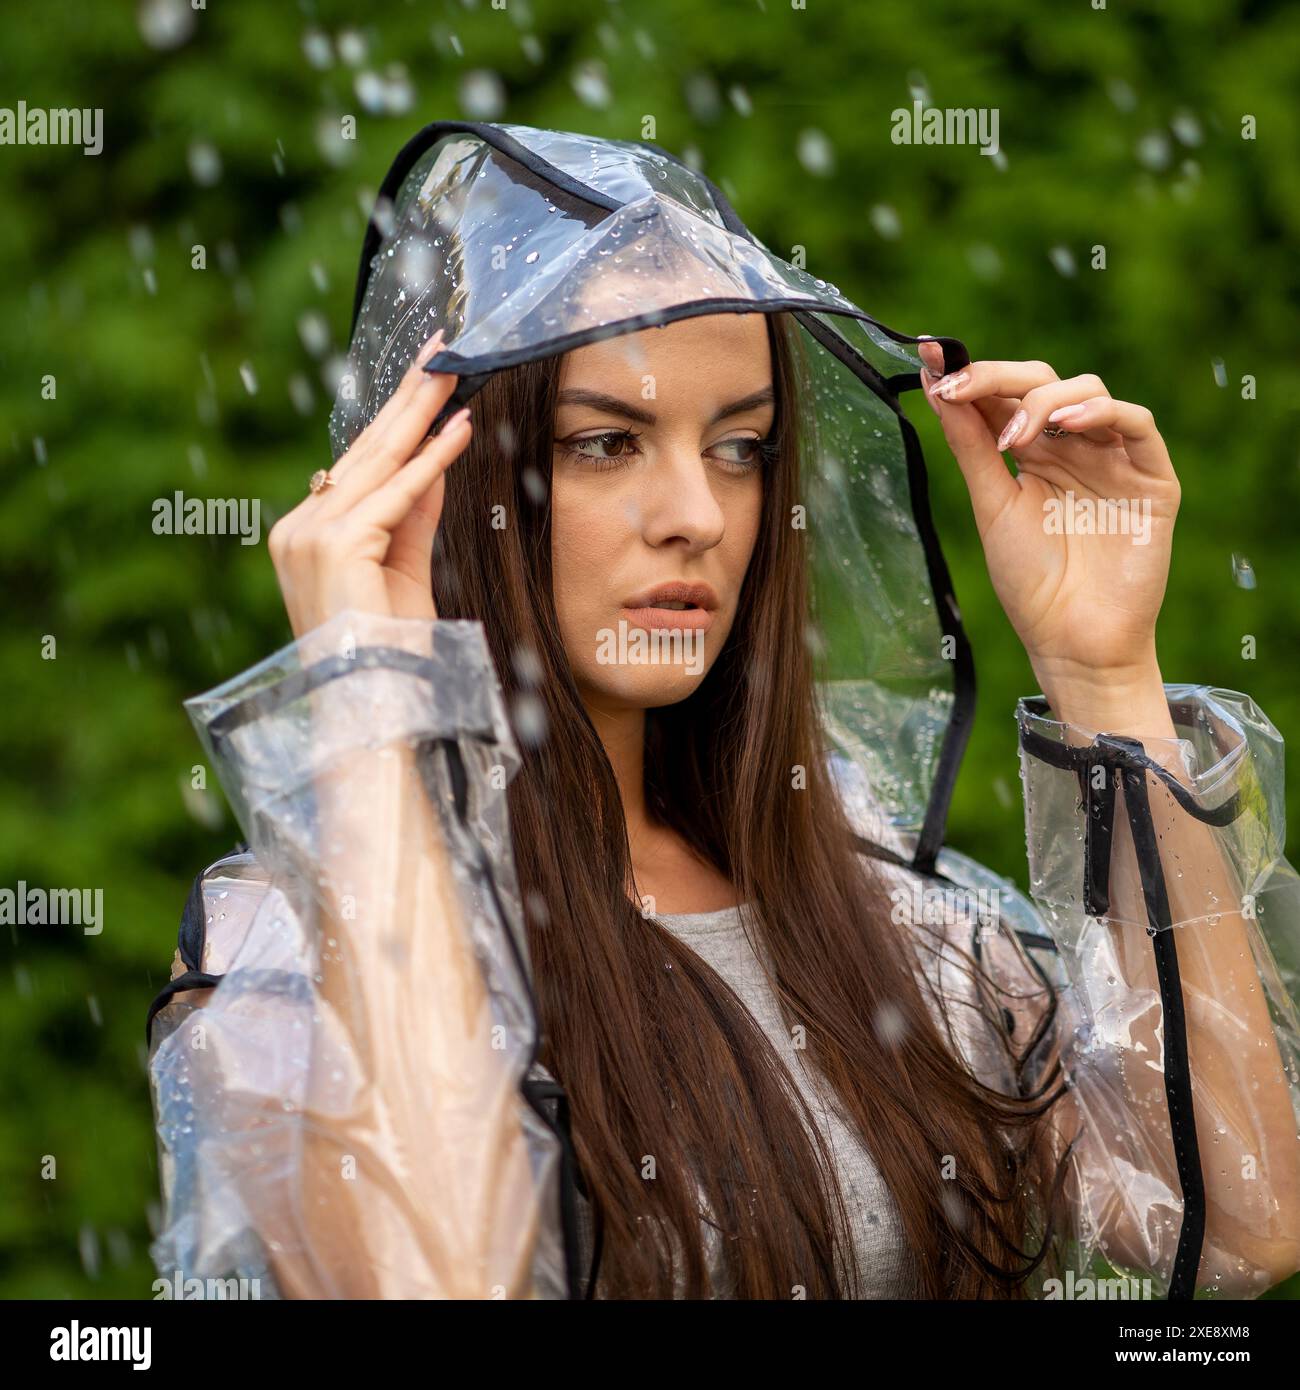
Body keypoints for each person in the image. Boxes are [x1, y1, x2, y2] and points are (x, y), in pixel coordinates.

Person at [145, 121, 1300, 1301]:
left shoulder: (897, 931)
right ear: (454, 477)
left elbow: (1238, 1226)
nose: (696, 511)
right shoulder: (293, 949)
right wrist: (370, 702)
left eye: (740, 446)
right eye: (606, 442)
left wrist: (1105, 675)